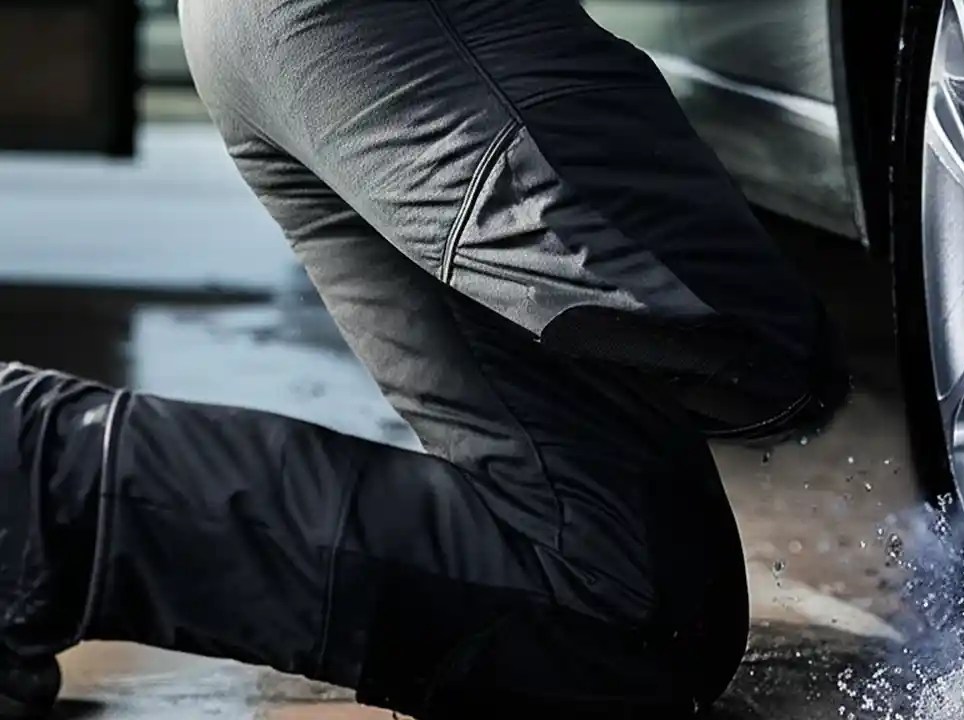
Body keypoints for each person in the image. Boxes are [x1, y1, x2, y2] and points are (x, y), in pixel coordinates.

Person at [0, 0, 849, 717]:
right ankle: (40, 483)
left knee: (624, 611)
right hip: (389, 32)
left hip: (307, 36)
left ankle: (48, 493)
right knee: (767, 358)